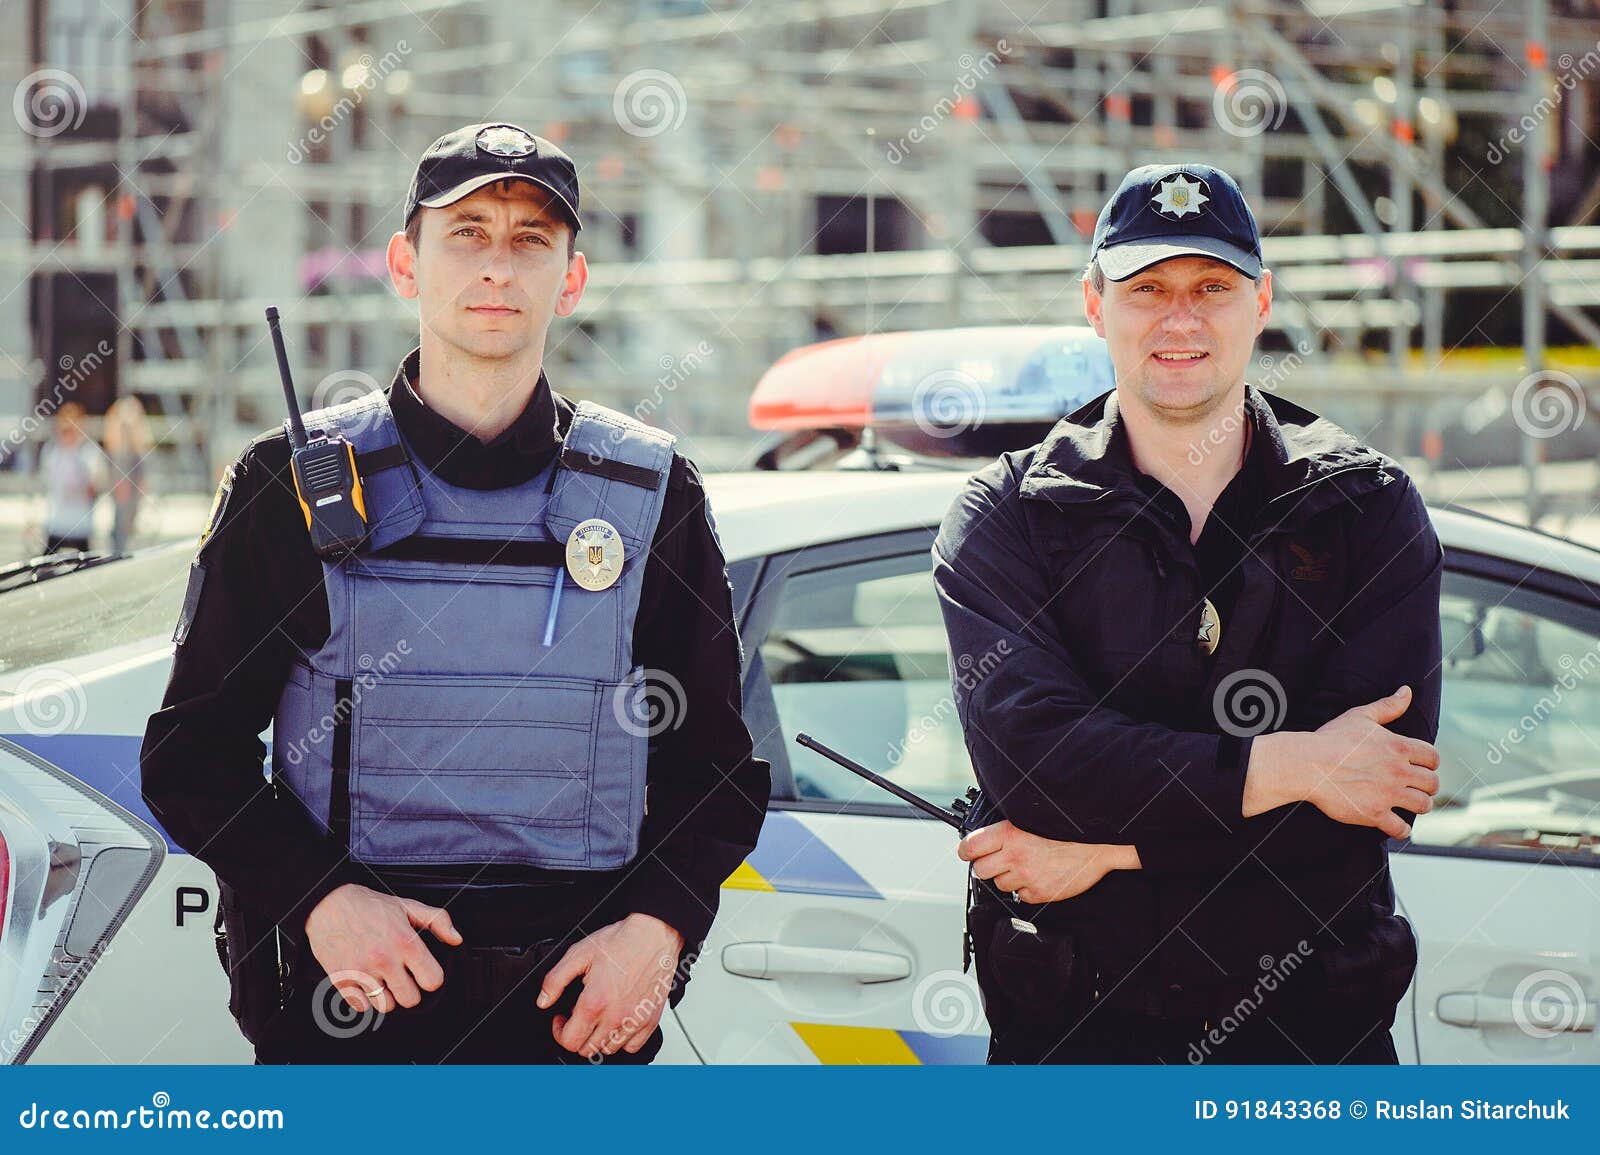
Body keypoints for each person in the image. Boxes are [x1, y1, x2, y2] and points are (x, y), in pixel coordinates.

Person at [140, 122, 770, 1064]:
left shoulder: (650, 493)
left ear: (572, 278)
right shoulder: (291, 483)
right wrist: (321, 900)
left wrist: (658, 928)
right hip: (349, 1026)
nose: (497, 267)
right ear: (405, 264)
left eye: (530, 240)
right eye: (467, 233)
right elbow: (190, 754)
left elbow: (717, 768)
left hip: (574, 1030)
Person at [933, 163, 1442, 1065]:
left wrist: (1109, 853)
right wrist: (1293, 764)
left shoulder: (1366, 508)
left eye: (1212, 287)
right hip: (1079, 1050)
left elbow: (1370, 798)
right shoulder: (1006, 516)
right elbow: (1043, 770)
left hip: (1312, 1054)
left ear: (1261, 301)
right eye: (1147, 289)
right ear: (1095, 303)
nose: (1181, 318)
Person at [36, 400, 104, 554]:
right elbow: (47, 486)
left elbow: (94, 488)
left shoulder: (90, 452)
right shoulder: (52, 451)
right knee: (46, 565)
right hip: (57, 524)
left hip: (81, 526)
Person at [104, 395, 153, 554]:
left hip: (133, 488)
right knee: (120, 523)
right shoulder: (117, 450)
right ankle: (118, 552)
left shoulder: (138, 451)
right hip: (123, 486)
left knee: (130, 522)